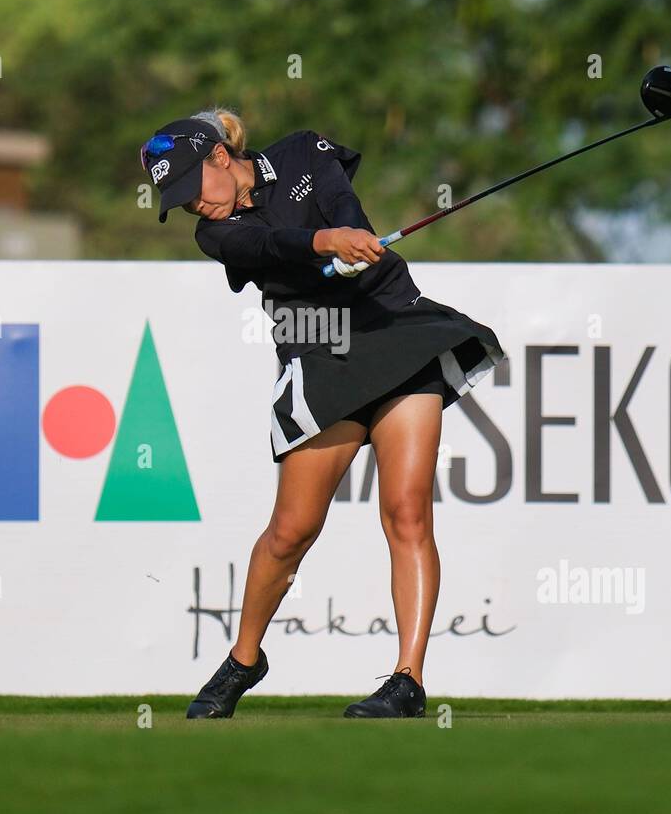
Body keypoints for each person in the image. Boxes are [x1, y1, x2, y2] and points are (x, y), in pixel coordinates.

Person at [141, 107, 505, 718]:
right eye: (174, 201)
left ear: (219, 158)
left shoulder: (304, 151)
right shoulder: (217, 233)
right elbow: (272, 243)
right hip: (321, 353)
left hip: (399, 331)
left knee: (407, 512)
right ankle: (245, 659)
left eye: (189, 188)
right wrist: (326, 244)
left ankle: (407, 681)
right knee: (291, 532)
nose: (190, 206)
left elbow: (341, 200)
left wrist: (351, 232)